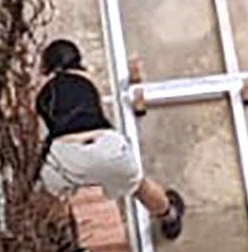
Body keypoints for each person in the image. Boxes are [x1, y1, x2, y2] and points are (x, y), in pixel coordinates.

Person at [35, 38, 184, 239]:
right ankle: (169, 215)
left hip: (65, 154)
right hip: (106, 146)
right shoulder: (88, 80)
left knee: (52, 195)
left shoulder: (41, 92)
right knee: (140, 186)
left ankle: (62, 237)